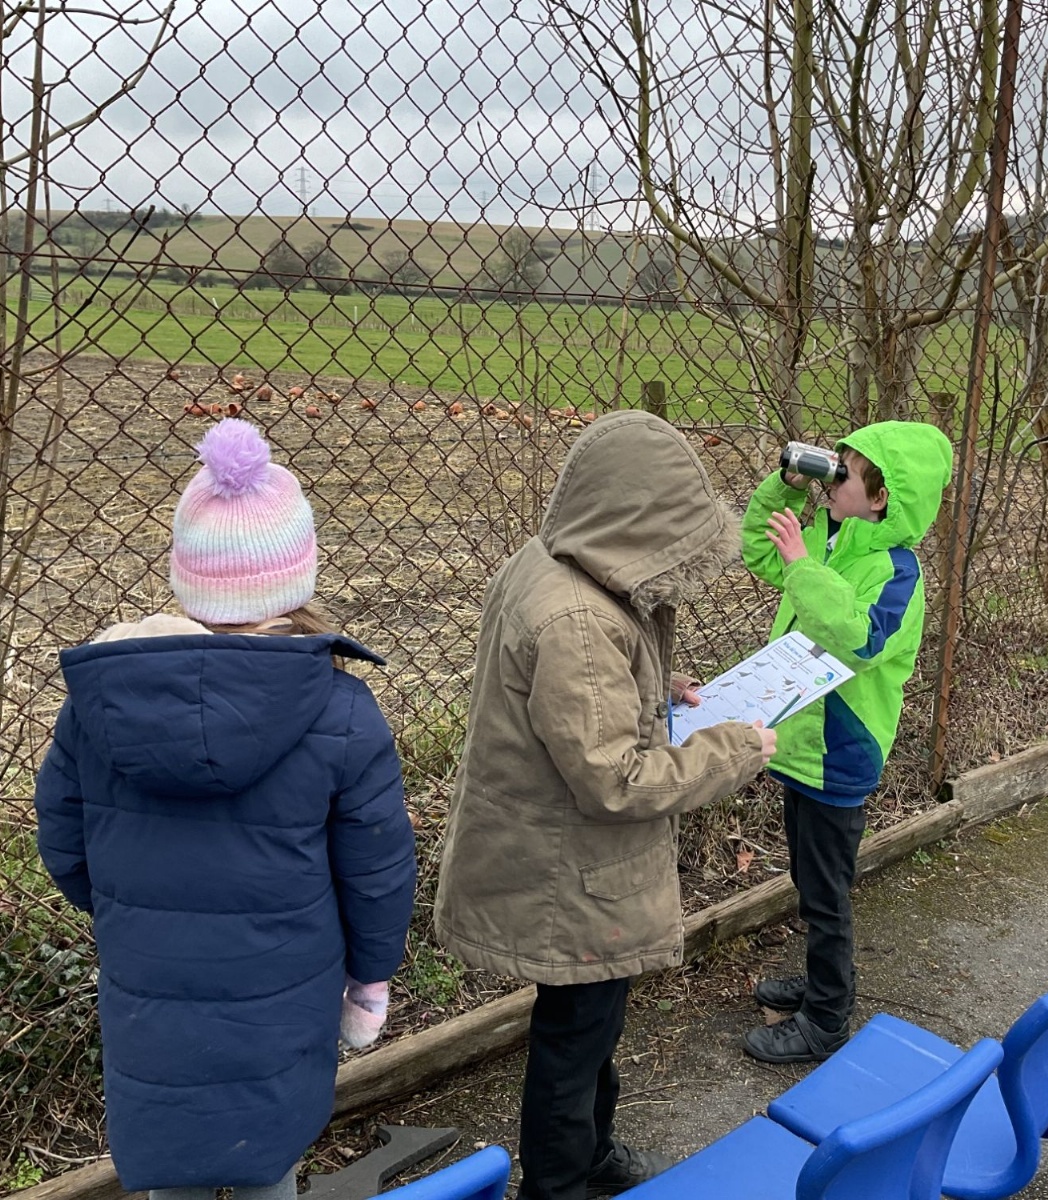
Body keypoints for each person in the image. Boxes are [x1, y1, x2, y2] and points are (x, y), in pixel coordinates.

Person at [35, 418, 416, 1200]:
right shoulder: (342, 713)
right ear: (297, 573)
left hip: (150, 990)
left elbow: (64, 843)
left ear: (186, 571)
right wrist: (369, 980)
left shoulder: (99, 705)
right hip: (284, 993)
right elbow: (378, 870)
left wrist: (132, 912)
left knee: (169, 1154)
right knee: (266, 1154)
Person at [434, 411, 777, 1200]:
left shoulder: (562, 567)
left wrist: (662, 690)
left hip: (571, 863)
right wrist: (736, 749)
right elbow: (616, 776)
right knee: (573, 1041)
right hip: (571, 876)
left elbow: (595, 699)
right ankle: (558, 1183)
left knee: (592, 1029)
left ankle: (592, 1156)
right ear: (637, 527)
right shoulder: (579, 619)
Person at [740, 420, 953, 1064]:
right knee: (809, 879)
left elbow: (855, 636)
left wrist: (805, 568)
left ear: (883, 497)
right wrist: (782, 489)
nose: (833, 477)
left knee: (826, 891)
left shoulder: (896, 573)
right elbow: (757, 552)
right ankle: (822, 983)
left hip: (841, 751)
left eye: (846, 471)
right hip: (801, 742)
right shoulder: (833, 540)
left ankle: (827, 1017)